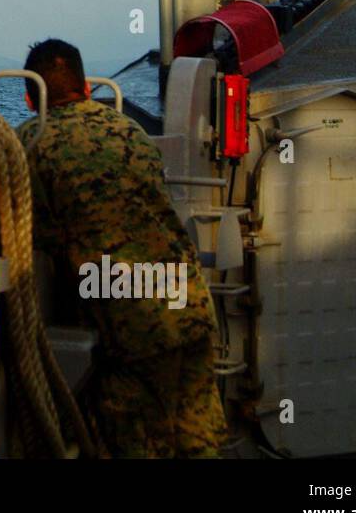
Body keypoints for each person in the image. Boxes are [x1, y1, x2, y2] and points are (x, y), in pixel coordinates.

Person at [19, 38, 226, 458]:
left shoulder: (35, 138)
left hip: (132, 325)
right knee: (198, 444)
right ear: (84, 84)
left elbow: (36, 231)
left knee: (135, 445)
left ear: (30, 95)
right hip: (188, 303)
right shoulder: (129, 129)